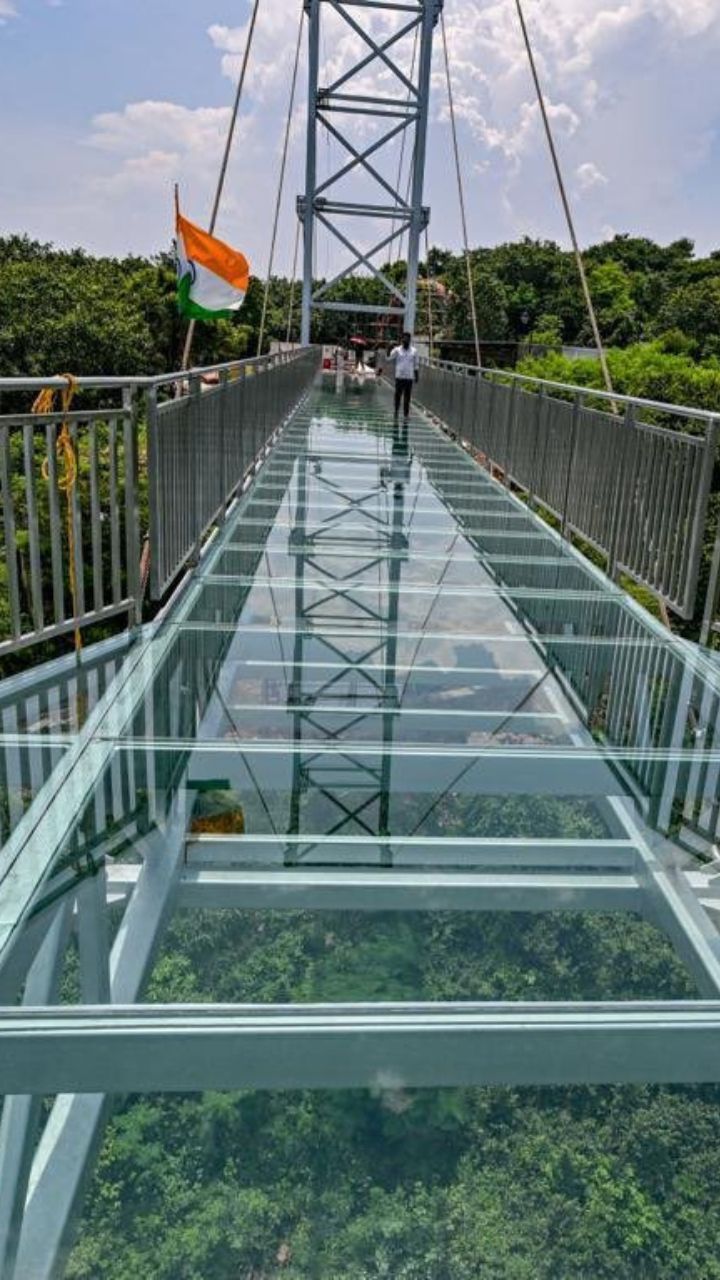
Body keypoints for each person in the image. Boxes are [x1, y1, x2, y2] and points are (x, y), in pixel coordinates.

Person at [389, 332, 419, 421]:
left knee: (407, 397)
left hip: (409, 377)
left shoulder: (414, 351)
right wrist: (389, 347)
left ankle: (406, 415)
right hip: (399, 377)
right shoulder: (397, 350)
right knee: (397, 396)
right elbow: (389, 358)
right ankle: (396, 412)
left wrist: (416, 375)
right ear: (402, 339)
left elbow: (416, 364)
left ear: (410, 340)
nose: (405, 340)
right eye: (404, 338)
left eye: (407, 338)